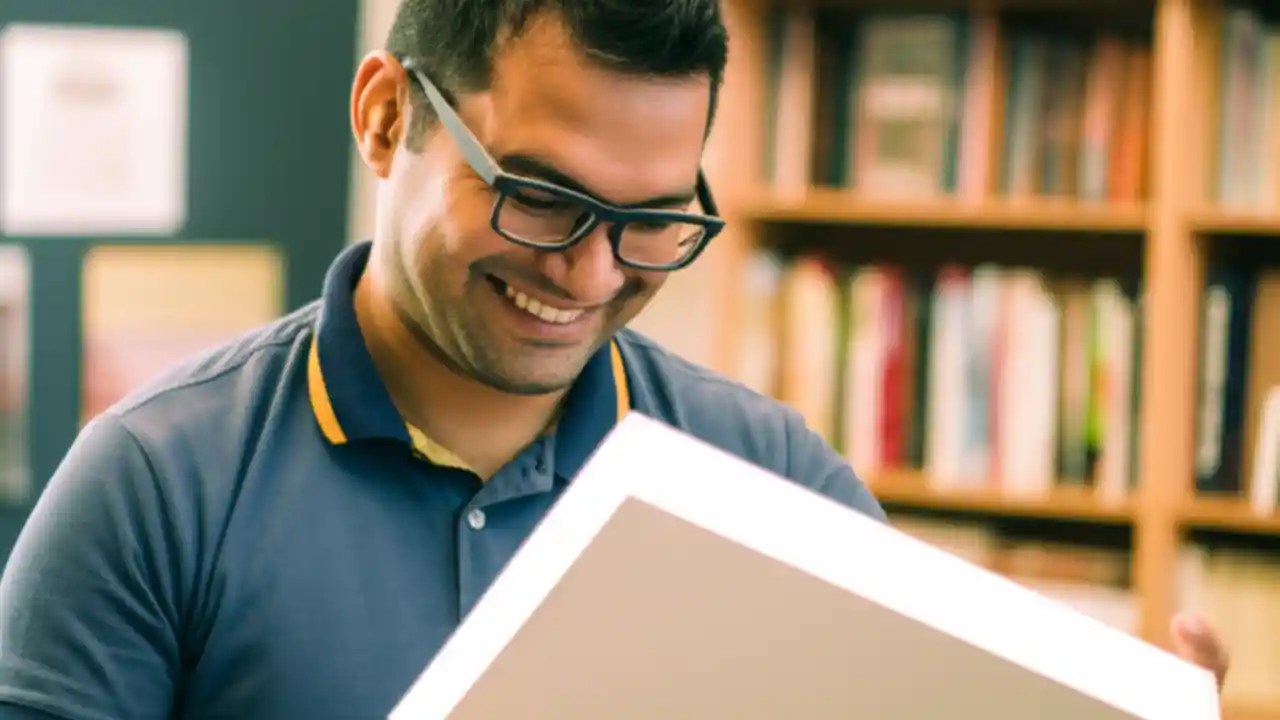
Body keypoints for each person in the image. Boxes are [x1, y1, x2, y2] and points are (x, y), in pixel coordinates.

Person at [0, 1, 1228, 718]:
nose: (589, 275)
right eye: (539, 197)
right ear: (385, 118)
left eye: (651, 219)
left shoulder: (763, 470)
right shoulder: (156, 484)